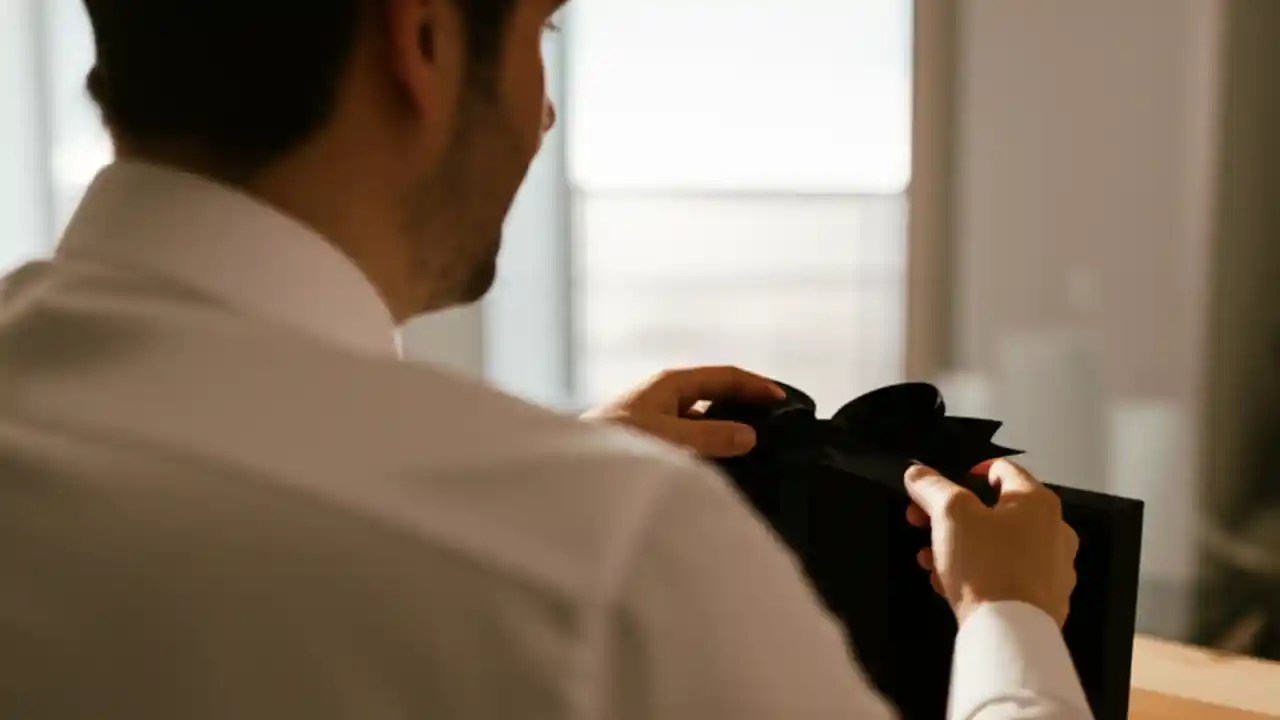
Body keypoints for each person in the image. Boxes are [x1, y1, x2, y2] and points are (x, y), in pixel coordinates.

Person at [0, 0, 1088, 717]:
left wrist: (532, 478)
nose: (546, 108)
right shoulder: (607, 565)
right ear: (420, 39)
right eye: (542, 35)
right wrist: (1011, 623)